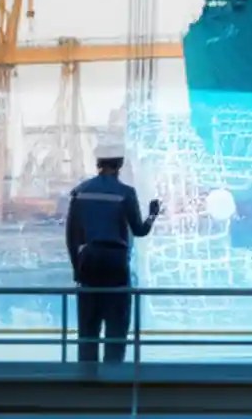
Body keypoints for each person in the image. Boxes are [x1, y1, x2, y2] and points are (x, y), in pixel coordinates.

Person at [65, 139, 161, 363]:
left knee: (88, 322)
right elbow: (139, 231)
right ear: (120, 165)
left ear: (98, 163)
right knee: (117, 322)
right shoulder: (125, 193)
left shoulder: (80, 192)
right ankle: (113, 375)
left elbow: (72, 237)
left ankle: (86, 375)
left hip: (88, 260)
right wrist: (153, 214)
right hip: (115, 261)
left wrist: (76, 269)